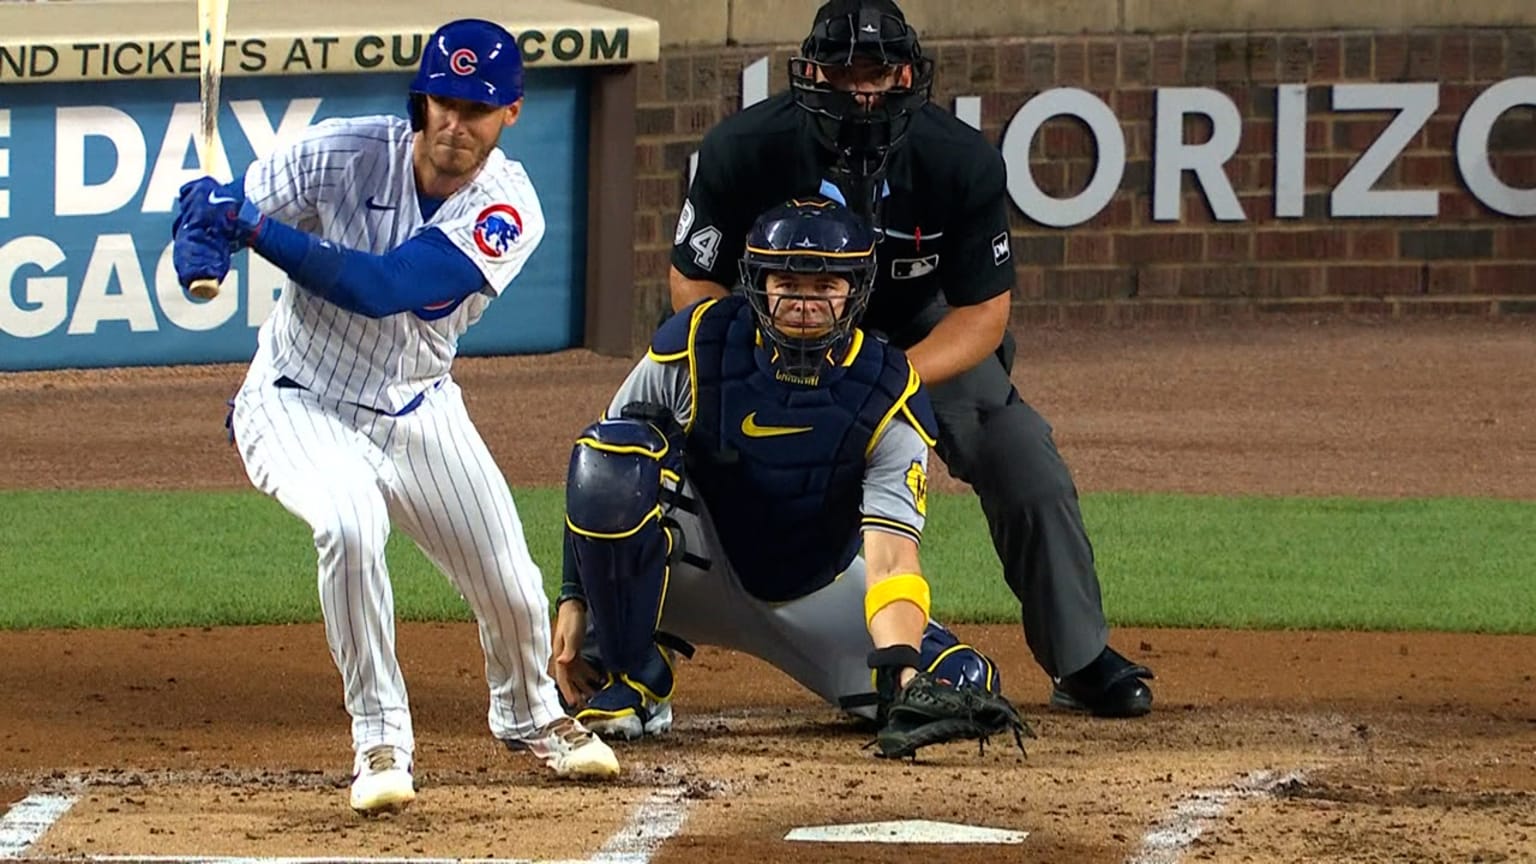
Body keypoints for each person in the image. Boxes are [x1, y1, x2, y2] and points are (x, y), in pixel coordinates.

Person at [169, 18, 620, 815]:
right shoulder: (340, 151)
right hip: (296, 397)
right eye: (443, 101)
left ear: (510, 112)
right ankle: (380, 737)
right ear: (422, 99)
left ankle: (529, 715)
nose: (455, 122)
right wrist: (202, 235)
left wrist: (253, 228)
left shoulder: (507, 207)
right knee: (348, 525)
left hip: (418, 407)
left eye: (476, 108)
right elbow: (217, 220)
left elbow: (382, 288)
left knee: (513, 585)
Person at [667, 0, 1155, 718]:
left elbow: (984, 314)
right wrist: (758, 363)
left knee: (1020, 452)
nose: (860, 88)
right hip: (773, 333)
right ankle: (624, 638)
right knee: (649, 446)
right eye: (843, 71)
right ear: (812, 73)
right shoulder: (743, 148)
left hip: (916, 337)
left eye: (877, 70)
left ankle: (1078, 657)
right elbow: (694, 281)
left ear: (906, 74)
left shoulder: (960, 160)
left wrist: (883, 382)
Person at [551, 195, 1027, 759]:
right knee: (616, 454)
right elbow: (598, 458)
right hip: (693, 566)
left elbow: (892, 557)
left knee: (961, 679)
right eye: (788, 284)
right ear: (758, 283)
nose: (805, 303)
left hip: (812, 589)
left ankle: (897, 677)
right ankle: (634, 673)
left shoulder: (887, 391)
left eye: (825, 287)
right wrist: (575, 597)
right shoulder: (699, 344)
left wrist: (901, 669)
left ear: (855, 290)